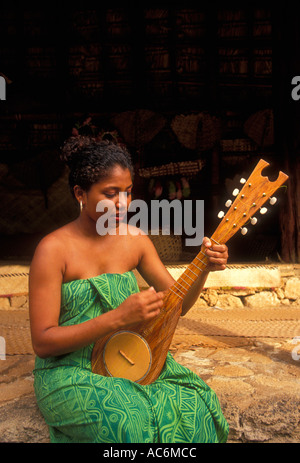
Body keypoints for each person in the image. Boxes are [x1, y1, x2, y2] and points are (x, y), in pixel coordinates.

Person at [29, 137, 229, 443]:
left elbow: (178, 305)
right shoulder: (53, 250)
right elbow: (43, 342)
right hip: (69, 369)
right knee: (128, 423)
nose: (124, 203)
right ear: (80, 194)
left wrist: (203, 267)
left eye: (128, 191)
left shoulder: (135, 240)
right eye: (111, 194)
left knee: (198, 409)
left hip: (130, 359)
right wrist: (117, 318)